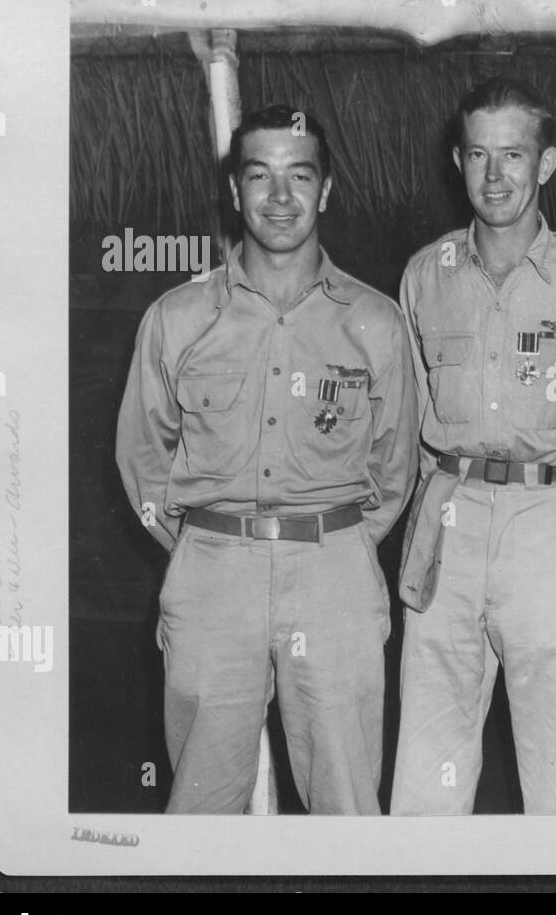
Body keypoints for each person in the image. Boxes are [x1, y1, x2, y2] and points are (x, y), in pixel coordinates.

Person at [115, 104, 418, 815]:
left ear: (327, 190)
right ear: (233, 190)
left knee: (345, 805)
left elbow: (395, 466)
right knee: (200, 805)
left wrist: (334, 544)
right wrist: (201, 546)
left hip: (334, 574)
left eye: (298, 176)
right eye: (260, 175)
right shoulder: (178, 318)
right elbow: (141, 458)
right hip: (214, 577)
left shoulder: (373, 321)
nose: (279, 198)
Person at [390, 78, 556, 815]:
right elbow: (409, 421)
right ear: (458, 161)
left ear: (548, 163)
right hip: (449, 516)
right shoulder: (425, 276)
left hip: (552, 521)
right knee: (427, 768)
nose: (494, 176)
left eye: (514, 155)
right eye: (477, 155)